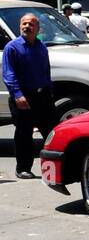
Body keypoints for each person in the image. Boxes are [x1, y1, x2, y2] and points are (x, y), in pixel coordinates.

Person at [2, 13, 55, 179]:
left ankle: (52, 170)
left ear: (37, 28)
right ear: (19, 27)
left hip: (43, 96)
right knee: (24, 134)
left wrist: (49, 91)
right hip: (23, 97)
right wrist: (17, 95)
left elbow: (46, 71)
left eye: (31, 24)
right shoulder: (12, 47)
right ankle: (23, 168)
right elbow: (9, 74)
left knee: (52, 132)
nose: (27, 26)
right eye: (24, 24)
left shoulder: (41, 47)